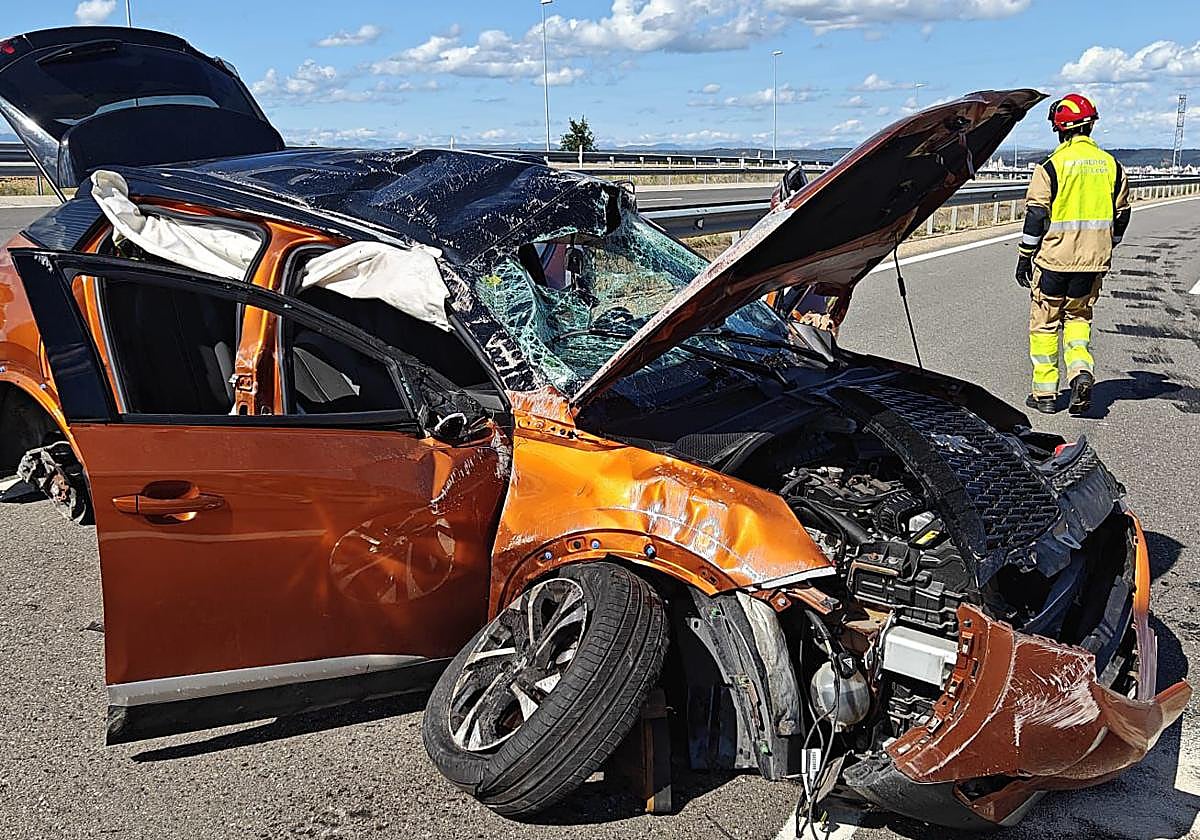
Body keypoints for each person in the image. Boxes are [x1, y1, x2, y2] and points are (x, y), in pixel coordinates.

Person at [1016, 93, 1131, 416]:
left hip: (1054, 260)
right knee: (1078, 318)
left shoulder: (1051, 167)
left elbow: (1036, 217)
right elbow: (1122, 215)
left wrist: (1025, 256)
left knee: (1046, 324)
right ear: (1091, 125)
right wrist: (1109, 243)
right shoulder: (1112, 166)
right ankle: (1081, 372)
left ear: (1059, 128)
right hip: (1093, 263)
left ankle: (1045, 394)